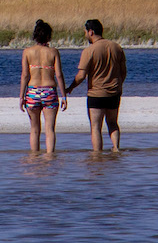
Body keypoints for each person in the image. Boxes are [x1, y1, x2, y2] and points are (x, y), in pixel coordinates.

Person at [65, 18, 126, 152]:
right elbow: (123, 72)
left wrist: (70, 88)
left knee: (95, 127)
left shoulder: (89, 51)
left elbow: (81, 75)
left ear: (91, 32)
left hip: (96, 94)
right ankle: (116, 148)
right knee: (113, 123)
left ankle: (97, 154)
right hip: (114, 93)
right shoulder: (116, 47)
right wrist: (117, 85)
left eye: (85, 32)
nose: (85, 35)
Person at [17, 19, 68, 153]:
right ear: (48, 35)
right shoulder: (53, 52)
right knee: (49, 129)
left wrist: (21, 96)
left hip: (32, 92)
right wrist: (64, 95)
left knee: (34, 129)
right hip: (49, 91)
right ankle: (50, 157)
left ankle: (34, 158)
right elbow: (58, 75)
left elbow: (25, 76)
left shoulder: (27, 52)